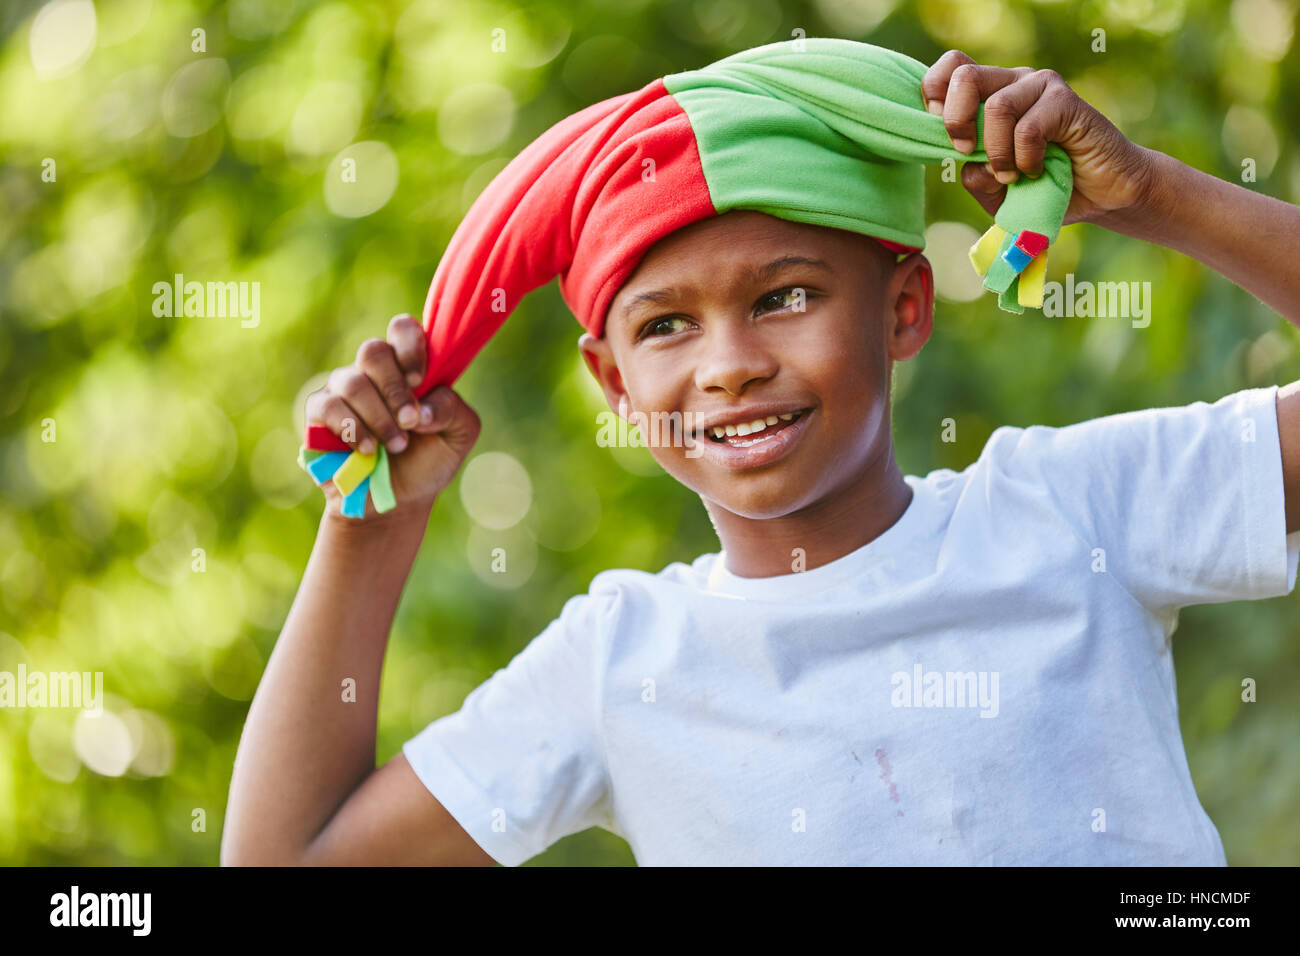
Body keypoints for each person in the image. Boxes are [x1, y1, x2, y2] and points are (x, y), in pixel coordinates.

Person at [222, 44, 1300, 865]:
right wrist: (370, 520)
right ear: (611, 381)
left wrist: (1157, 195)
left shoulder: (1076, 512)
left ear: (905, 307)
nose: (729, 366)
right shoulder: (617, 664)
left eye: (784, 297)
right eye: (664, 326)